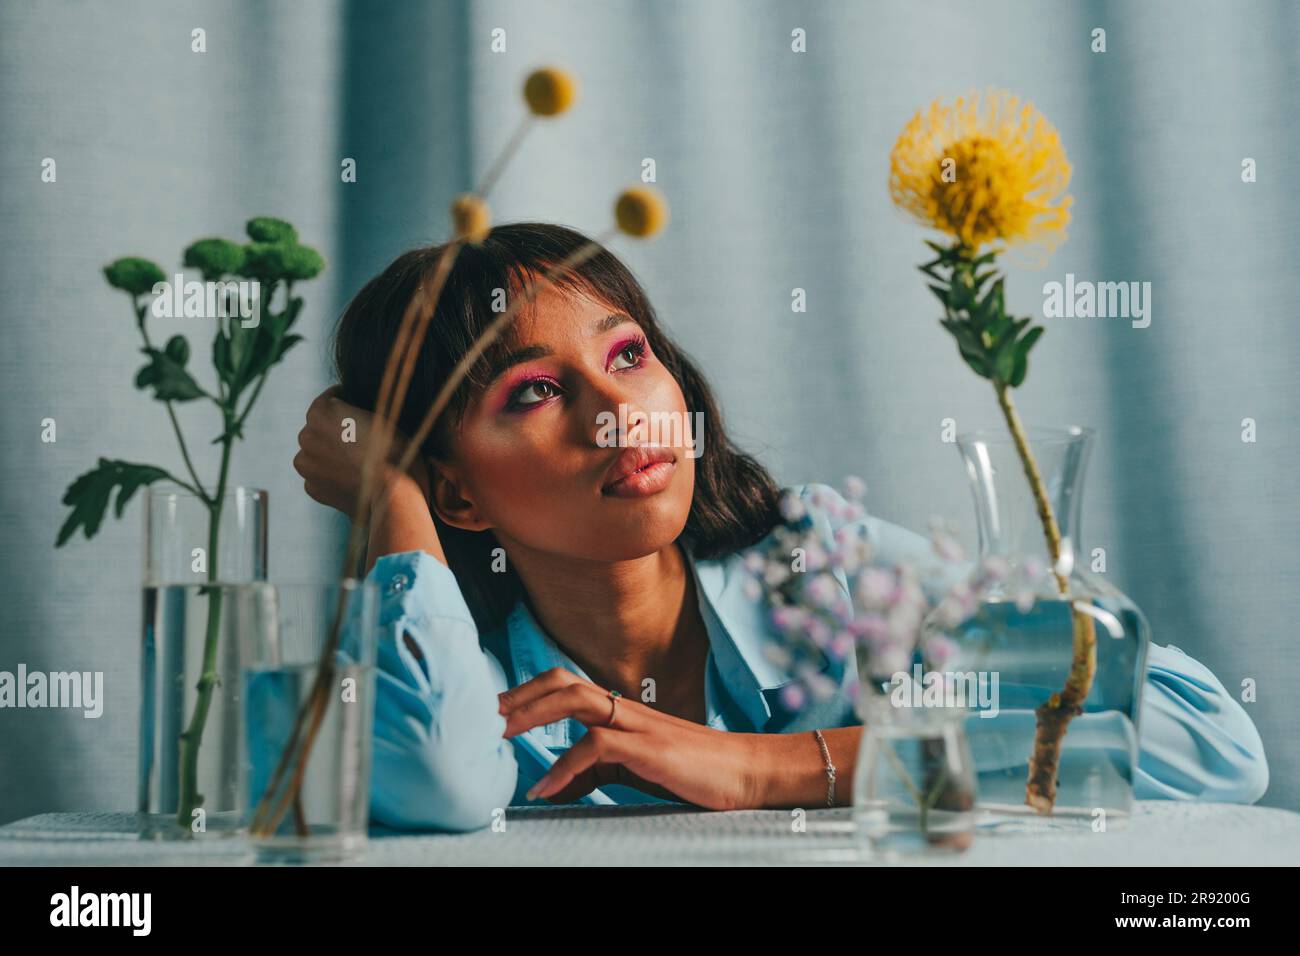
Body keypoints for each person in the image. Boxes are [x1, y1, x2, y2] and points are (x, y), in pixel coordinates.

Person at [293, 222, 1269, 831]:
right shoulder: (467, 678)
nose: (619, 410)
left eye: (629, 352)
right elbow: (435, 782)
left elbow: (1211, 740)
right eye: (537, 389)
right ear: (459, 495)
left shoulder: (823, 571)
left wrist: (768, 766)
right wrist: (391, 498)